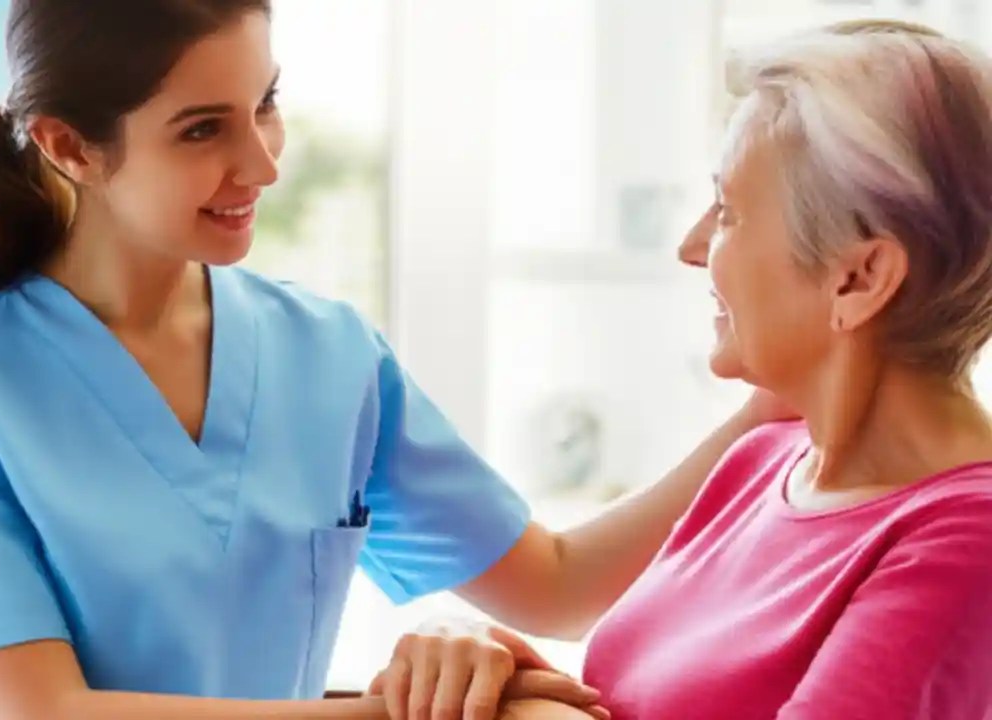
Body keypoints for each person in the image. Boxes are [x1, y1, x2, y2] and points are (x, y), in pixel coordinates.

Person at [0, 2, 791, 719]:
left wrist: (769, 408)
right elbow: (43, 711)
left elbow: (555, 586)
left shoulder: (330, 356)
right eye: (202, 129)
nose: (262, 164)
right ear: (71, 148)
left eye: (265, 104)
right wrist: (402, 707)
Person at [390, 19, 992, 720]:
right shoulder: (760, 463)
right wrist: (487, 670)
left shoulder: (967, 538)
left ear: (859, 276)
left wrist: (529, 714)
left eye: (730, 213)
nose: (691, 246)